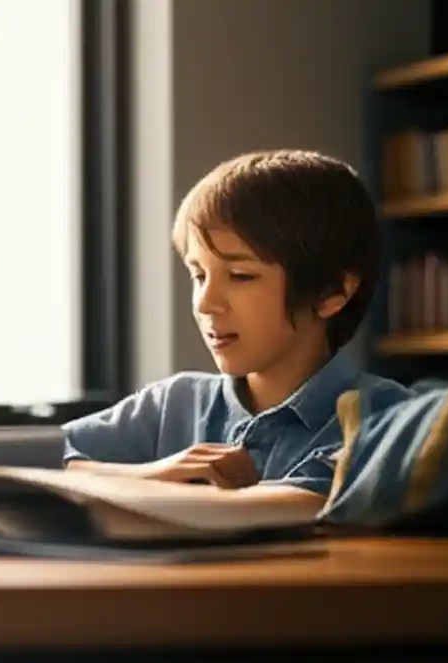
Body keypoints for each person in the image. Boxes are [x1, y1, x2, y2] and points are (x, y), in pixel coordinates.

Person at [64, 150, 411, 494]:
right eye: (199, 276)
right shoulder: (174, 405)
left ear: (331, 292)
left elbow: (311, 505)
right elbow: (43, 462)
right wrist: (155, 475)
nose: (205, 303)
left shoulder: (387, 417)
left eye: (241, 275)